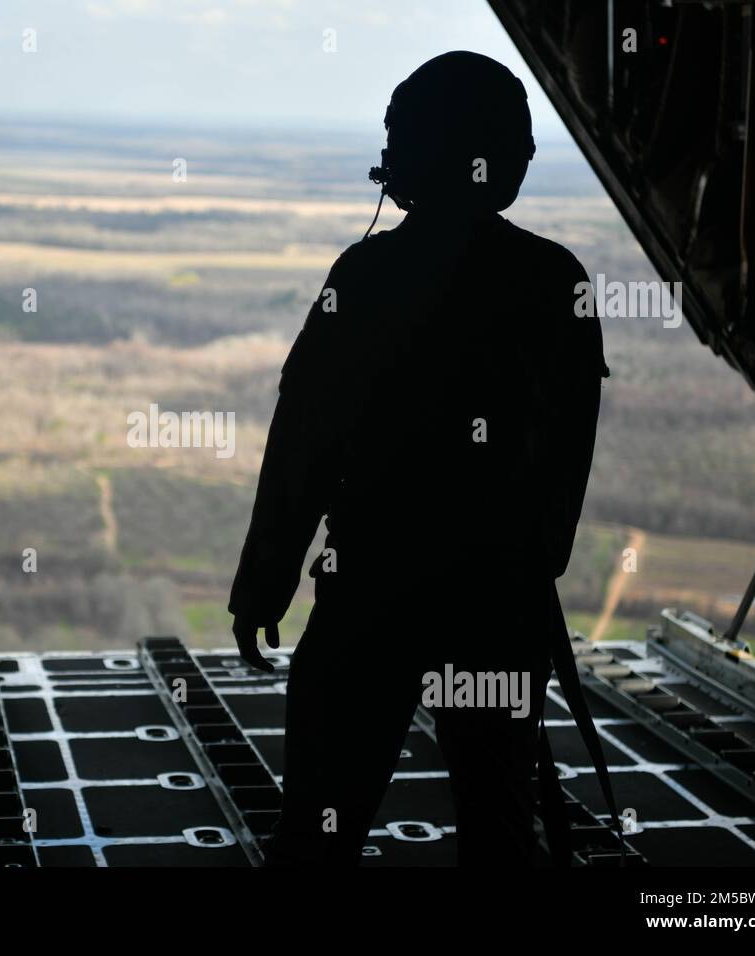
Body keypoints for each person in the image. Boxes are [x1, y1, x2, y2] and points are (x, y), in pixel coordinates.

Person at [228, 51, 610, 866]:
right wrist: (528, 572)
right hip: (499, 609)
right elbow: (565, 459)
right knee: (499, 832)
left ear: (408, 158)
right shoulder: (556, 281)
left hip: (372, 598)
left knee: (317, 833)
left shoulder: (366, 276)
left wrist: (265, 581)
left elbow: (301, 446)